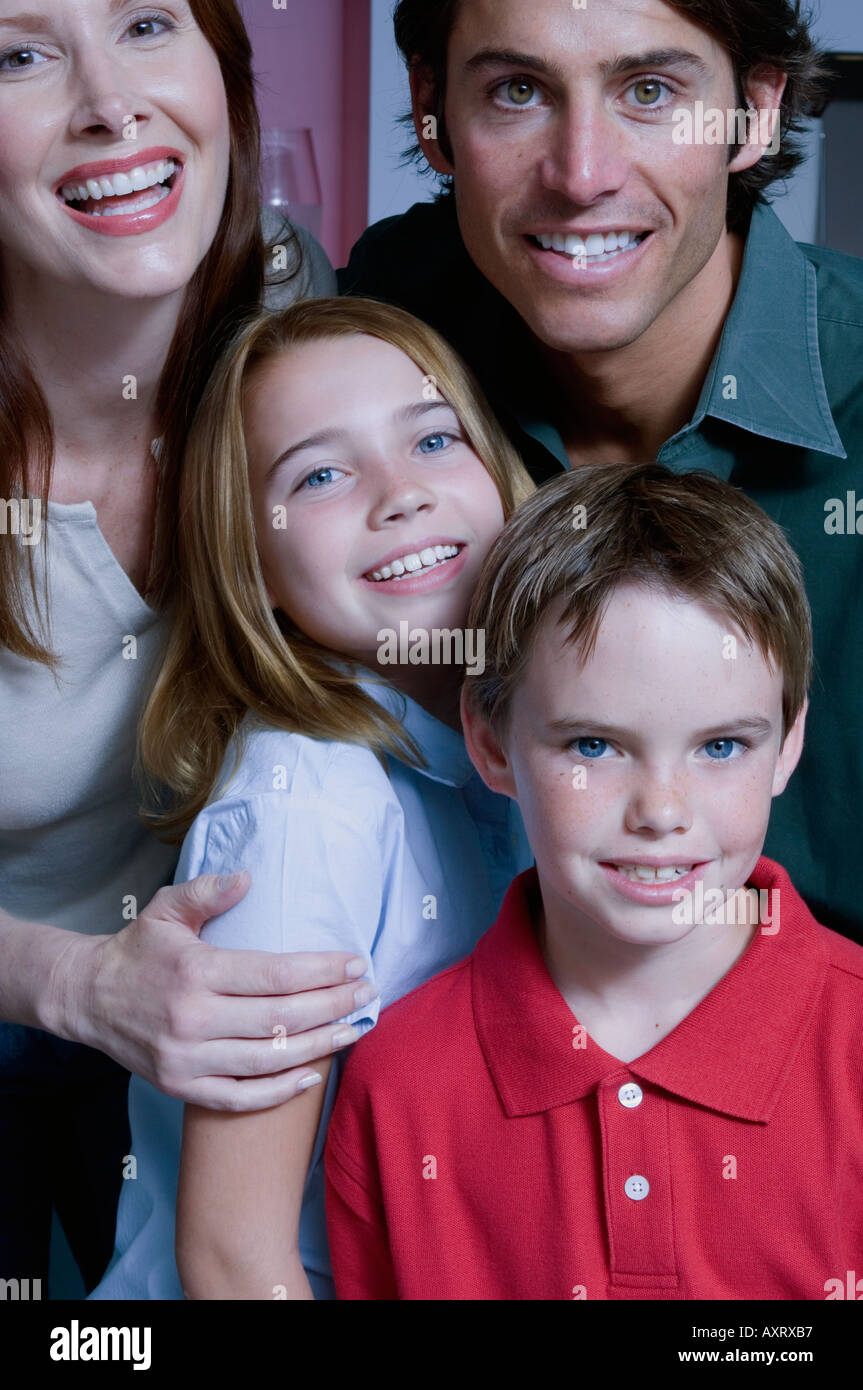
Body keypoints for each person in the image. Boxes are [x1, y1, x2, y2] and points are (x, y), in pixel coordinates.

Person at [339, 0, 863, 943]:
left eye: (650, 91)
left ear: (755, 112)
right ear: (432, 108)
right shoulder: (388, 328)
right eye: (517, 91)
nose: (581, 176)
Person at [0, 0, 361, 1295]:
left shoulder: (283, 291)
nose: (110, 100)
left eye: (148, 21)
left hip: (174, 988)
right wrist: (77, 983)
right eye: (19, 54)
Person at [325, 462, 863, 1301]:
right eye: (593, 746)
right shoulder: (396, 1085)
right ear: (493, 742)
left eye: (720, 746)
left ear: (787, 744)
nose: (660, 811)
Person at [89, 296, 535, 1301]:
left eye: (430, 438)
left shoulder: (523, 749)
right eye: (320, 474)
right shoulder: (306, 809)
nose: (399, 494)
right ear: (251, 565)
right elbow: (232, 1259)